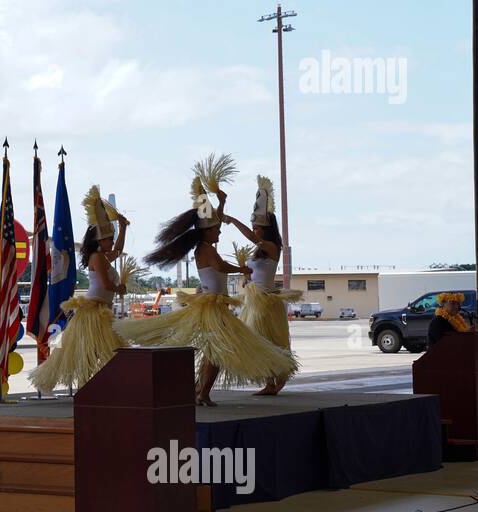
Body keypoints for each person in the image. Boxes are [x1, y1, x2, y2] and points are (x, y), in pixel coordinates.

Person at [115, 157, 295, 406]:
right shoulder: (206, 249)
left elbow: (222, 228)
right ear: (208, 232)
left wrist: (222, 202)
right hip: (216, 305)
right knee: (217, 350)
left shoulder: (268, 246)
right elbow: (221, 264)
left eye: (256, 226)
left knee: (219, 350)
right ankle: (201, 391)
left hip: (234, 303)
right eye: (216, 229)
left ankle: (202, 390)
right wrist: (240, 267)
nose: (220, 231)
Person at [30, 186, 131, 394]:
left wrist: (123, 227)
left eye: (111, 238)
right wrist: (119, 288)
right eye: (109, 239)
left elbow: (118, 250)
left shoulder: (102, 257)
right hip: (94, 311)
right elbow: (106, 285)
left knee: (101, 352)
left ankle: (91, 387)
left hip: (100, 310)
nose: (112, 242)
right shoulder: (97, 258)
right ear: (99, 240)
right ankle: (86, 388)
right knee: (93, 353)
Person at [220, 175, 301, 395]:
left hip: (265, 302)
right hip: (253, 300)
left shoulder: (273, 246)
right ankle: (270, 381)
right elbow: (254, 270)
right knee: (258, 340)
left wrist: (232, 220)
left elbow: (251, 238)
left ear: (265, 229)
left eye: (256, 228)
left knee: (266, 339)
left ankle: (277, 378)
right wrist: (246, 277)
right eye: (253, 228)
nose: (254, 230)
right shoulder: (259, 250)